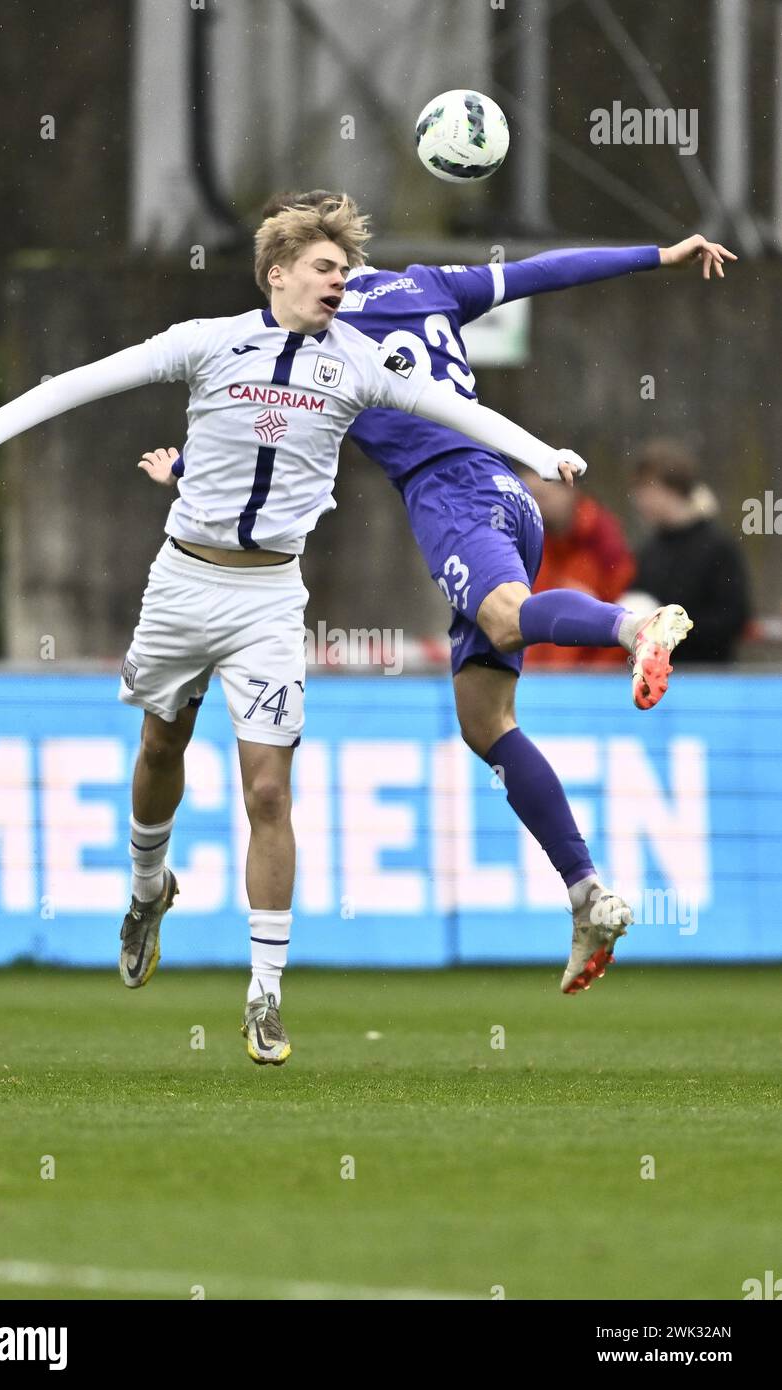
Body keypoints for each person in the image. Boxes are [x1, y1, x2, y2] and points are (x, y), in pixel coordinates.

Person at [0, 196, 585, 1065]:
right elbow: (89, 377)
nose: (340, 283)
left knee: (268, 795)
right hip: (182, 581)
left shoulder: (358, 363)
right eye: (326, 269)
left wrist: (540, 455)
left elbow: (453, 409)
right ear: (278, 273)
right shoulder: (207, 341)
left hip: (268, 601)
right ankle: (147, 892)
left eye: (345, 271)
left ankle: (265, 994)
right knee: (161, 751)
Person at [147, 191, 733, 1000]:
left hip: (451, 491)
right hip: (509, 488)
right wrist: (655, 255)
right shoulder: (430, 284)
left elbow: (263, 443)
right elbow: (543, 271)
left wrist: (183, 472)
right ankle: (585, 890)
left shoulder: (323, 332)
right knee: (485, 720)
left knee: (502, 615)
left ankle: (633, 627)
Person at [630, 439, 751, 663]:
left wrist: (672, 629)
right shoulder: (648, 552)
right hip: (653, 678)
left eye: (646, 488)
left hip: (707, 679)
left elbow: (733, 618)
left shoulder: (718, 548)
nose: (640, 500)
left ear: (673, 489)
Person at [518, 474, 636, 669]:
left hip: (587, 681)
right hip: (540, 678)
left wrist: (596, 674)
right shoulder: (534, 540)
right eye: (529, 497)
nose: (535, 504)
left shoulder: (602, 544)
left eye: (541, 495)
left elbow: (624, 616)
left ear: (568, 490)